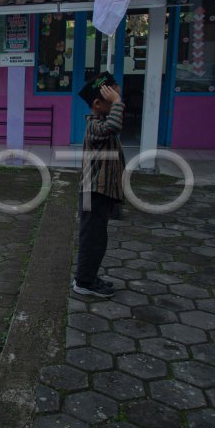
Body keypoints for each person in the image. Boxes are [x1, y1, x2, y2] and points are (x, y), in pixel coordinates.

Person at [73, 72, 124, 298]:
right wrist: (118, 104)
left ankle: (90, 276)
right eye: (112, 100)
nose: (117, 102)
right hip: (91, 192)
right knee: (92, 238)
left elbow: (114, 125)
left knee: (98, 238)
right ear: (98, 103)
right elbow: (113, 126)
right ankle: (84, 281)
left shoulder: (101, 122)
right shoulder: (95, 125)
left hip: (99, 192)